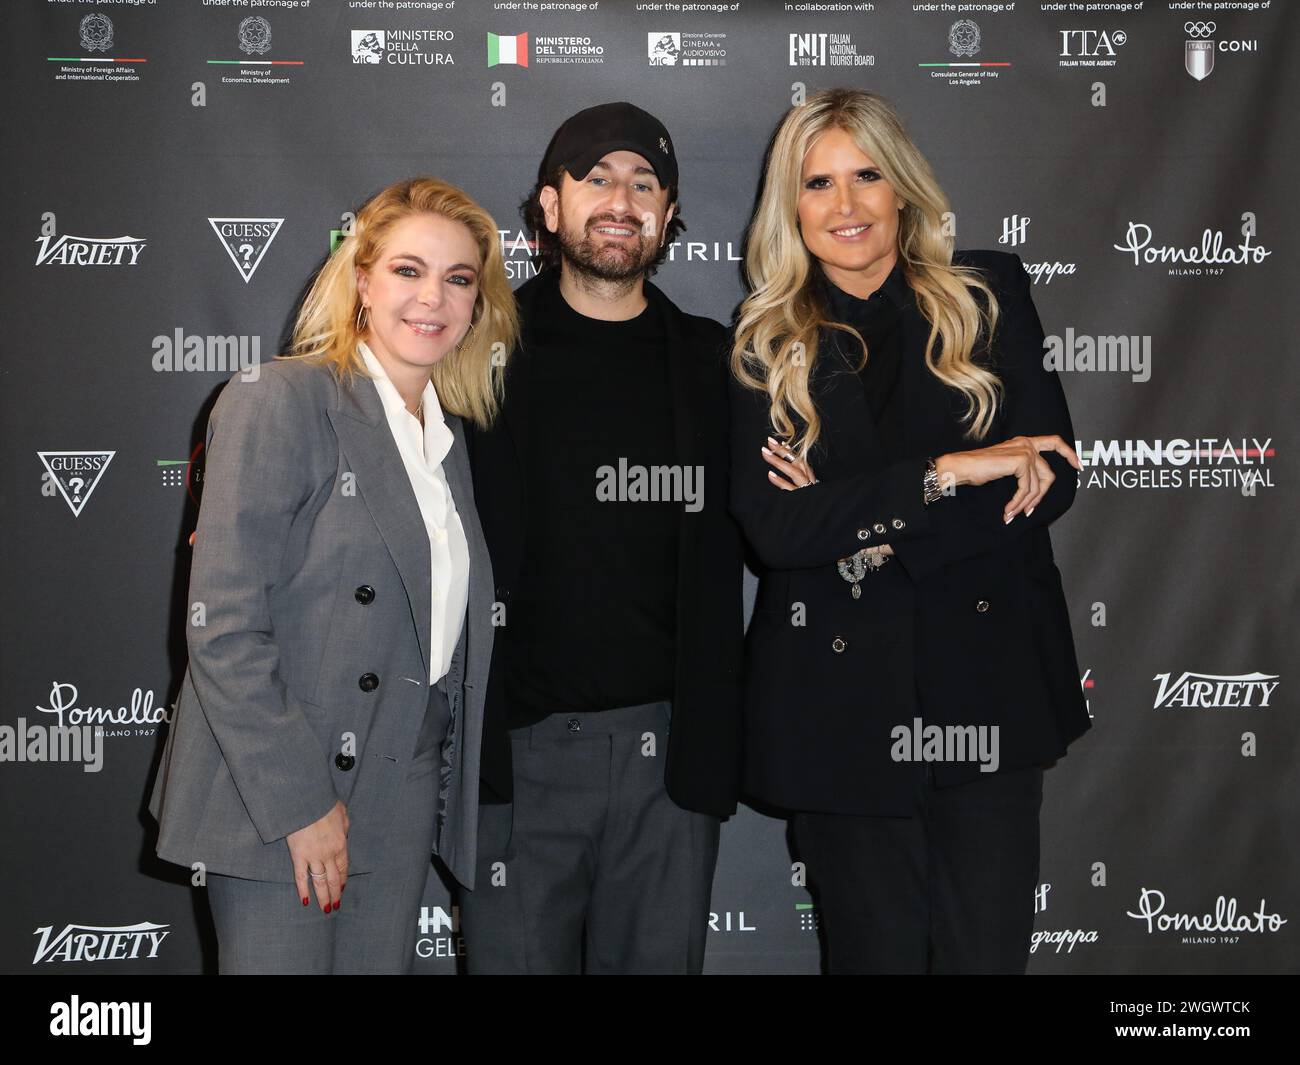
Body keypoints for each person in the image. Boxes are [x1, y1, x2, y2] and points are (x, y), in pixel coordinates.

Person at [728, 88, 1090, 974]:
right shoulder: (759, 347)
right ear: (792, 205)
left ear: (903, 189)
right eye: (819, 183)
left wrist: (864, 524)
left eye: (866, 176)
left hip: (990, 696)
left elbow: (1048, 480)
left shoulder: (988, 293)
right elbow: (779, 528)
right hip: (842, 717)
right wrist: (948, 472)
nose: (845, 206)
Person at [148, 177, 517, 974]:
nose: (434, 298)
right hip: (279, 796)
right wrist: (302, 804)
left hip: (399, 793)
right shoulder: (279, 399)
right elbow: (225, 626)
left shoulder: (447, 442)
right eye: (408, 270)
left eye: (459, 279)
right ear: (360, 282)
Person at [459, 102, 745, 974]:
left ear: (666, 216)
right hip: (515, 755)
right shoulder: (476, 352)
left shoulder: (715, 361)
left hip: (669, 762)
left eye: (644, 182)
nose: (621, 199)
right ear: (550, 207)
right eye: (596, 178)